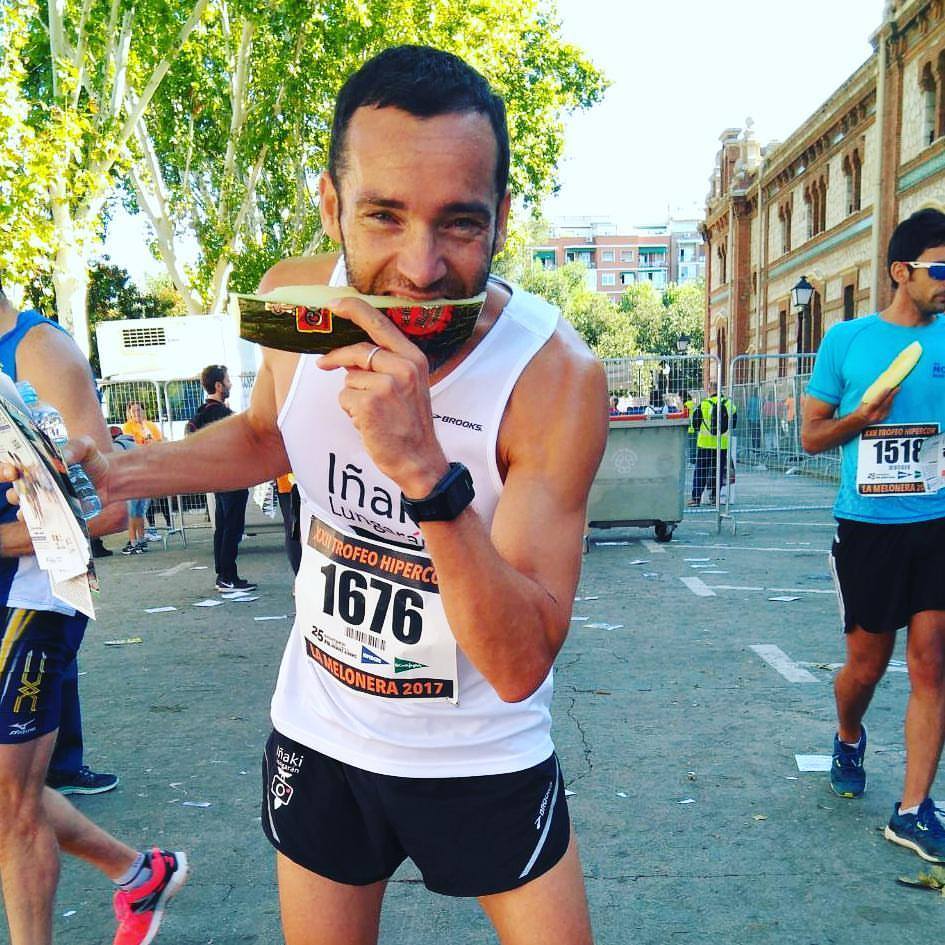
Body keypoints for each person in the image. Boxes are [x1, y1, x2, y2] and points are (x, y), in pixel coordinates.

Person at [63, 45, 606, 945]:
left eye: (459, 225)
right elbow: (266, 434)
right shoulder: (289, 302)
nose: (420, 268)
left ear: (503, 220)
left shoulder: (555, 376)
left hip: (481, 754)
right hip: (322, 731)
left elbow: (519, 665)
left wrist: (425, 473)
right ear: (331, 204)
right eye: (383, 216)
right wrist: (120, 470)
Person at [0, 285, 187, 945]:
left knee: (12, 805)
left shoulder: (38, 350)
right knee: (4, 794)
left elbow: (103, 509)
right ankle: (136, 872)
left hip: (32, 593)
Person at [801, 208, 945, 863]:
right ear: (900, 271)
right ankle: (848, 730)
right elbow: (809, 435)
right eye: (938, 270)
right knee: (866, 666)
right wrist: (861, 417)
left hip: (937, 523)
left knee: (930, 661)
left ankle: (913, 809)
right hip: (867, 528)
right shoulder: (847, 341)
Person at [186, 365, 255, 593]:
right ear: (218, 385)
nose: (230, 384)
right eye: (227, 380)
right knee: (232, 528)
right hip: (232, 477)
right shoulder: (223, 415)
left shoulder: (201, 412)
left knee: (223, 527)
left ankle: (224, 574)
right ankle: (228, 576)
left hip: (215, 479)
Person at [120, 402, 168, 542]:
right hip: (135, 469)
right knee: (133, 507)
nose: (136, 413)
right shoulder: (128, 427)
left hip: (149, 467)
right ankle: (133, 540)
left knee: (143, 506)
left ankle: (142, 538)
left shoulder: (151, 425)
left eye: (139, 410)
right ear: (129, 413)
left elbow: (159, 442)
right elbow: (131, 446)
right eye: (133, 411)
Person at [689, 380, 736, 506]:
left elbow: (695, 424)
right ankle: (715, 497)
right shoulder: (730, 404)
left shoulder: (703, 404)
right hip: (722, 444)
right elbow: (734, 424)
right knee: (718, 471)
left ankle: (696, 498)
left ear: (709, 390)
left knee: (701, 471)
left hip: (704, 444)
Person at [275, 473, 302, 575]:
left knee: (293, 529)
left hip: (287, 481)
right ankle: (300, 574)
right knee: (294, 530)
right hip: (292, 482)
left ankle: (300, 574)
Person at [683, 390, 698, 464]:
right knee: (693, 446)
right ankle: (693, 461)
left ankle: (690, 461)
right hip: (695, 427)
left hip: (688, 428)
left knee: (689, 446)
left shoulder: (686, 404)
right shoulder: (693, 403)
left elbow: (685, 416)